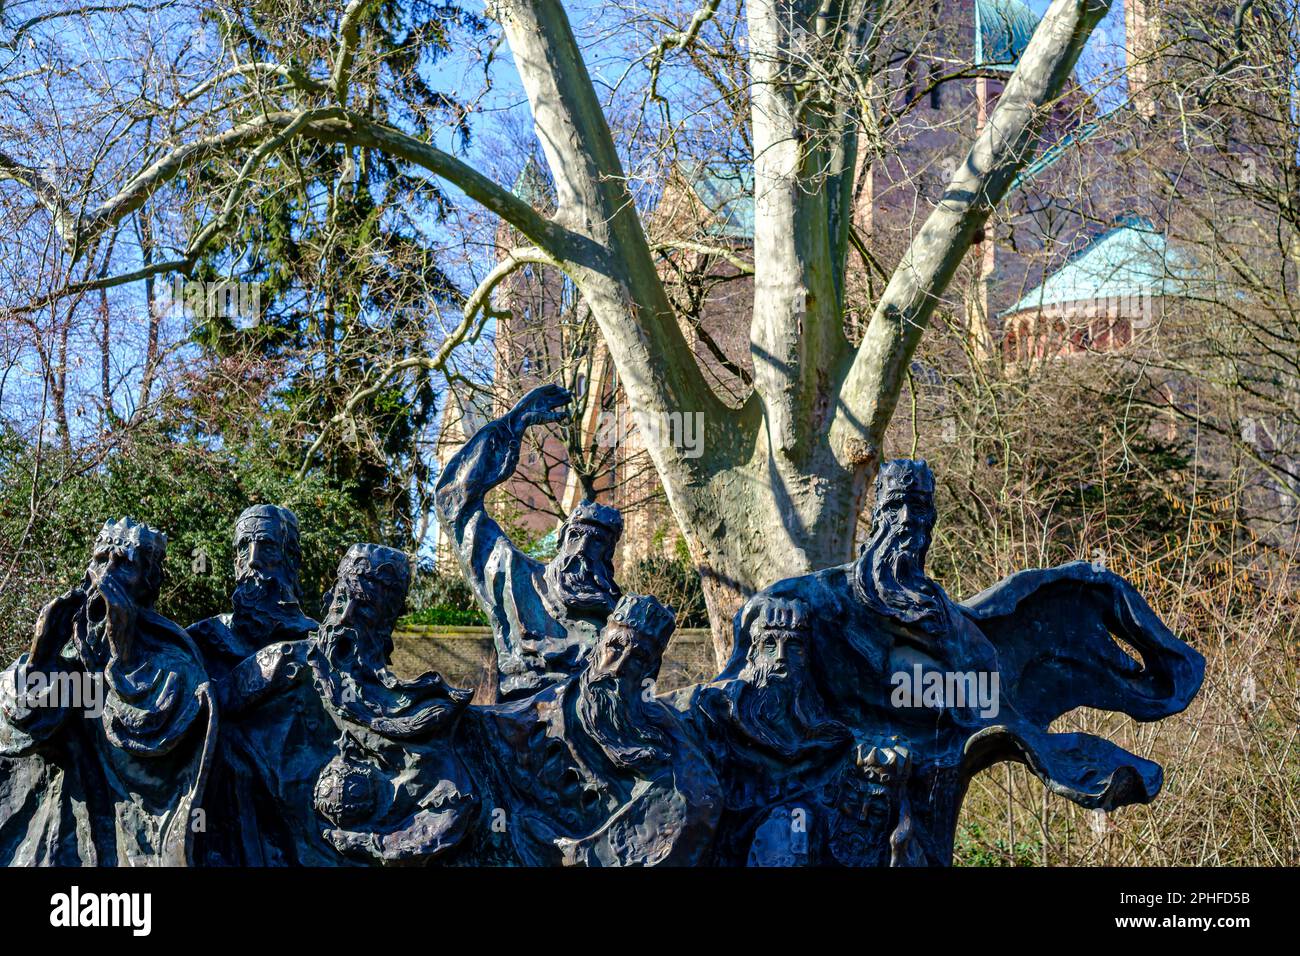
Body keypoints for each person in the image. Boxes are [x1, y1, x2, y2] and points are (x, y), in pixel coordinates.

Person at [0, 518, 215, 865]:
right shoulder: (68, 642)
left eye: (125, 564)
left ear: (147, 583)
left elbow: (159, 731)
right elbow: (16, 729)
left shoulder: (171, 654)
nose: (107, 575)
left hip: (132, 836)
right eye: (101, 559)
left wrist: (123, 656)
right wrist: (40, 656)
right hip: (57, 834)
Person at [466, 594, 720, 866]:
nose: (618, 668)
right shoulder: (527, 720)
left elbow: (703, 803)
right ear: (598, 645)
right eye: (615, 647)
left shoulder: (658, 734)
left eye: (637, 658)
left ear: (650, 671)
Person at [434, 384, 623, 700]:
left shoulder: (621, 617)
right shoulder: (516, 578)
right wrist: (513, 423)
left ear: (608, 554)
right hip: (521, 719)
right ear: (561, 540)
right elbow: (453, 504)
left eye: (597, 541)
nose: (581, 550)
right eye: (576, 536)